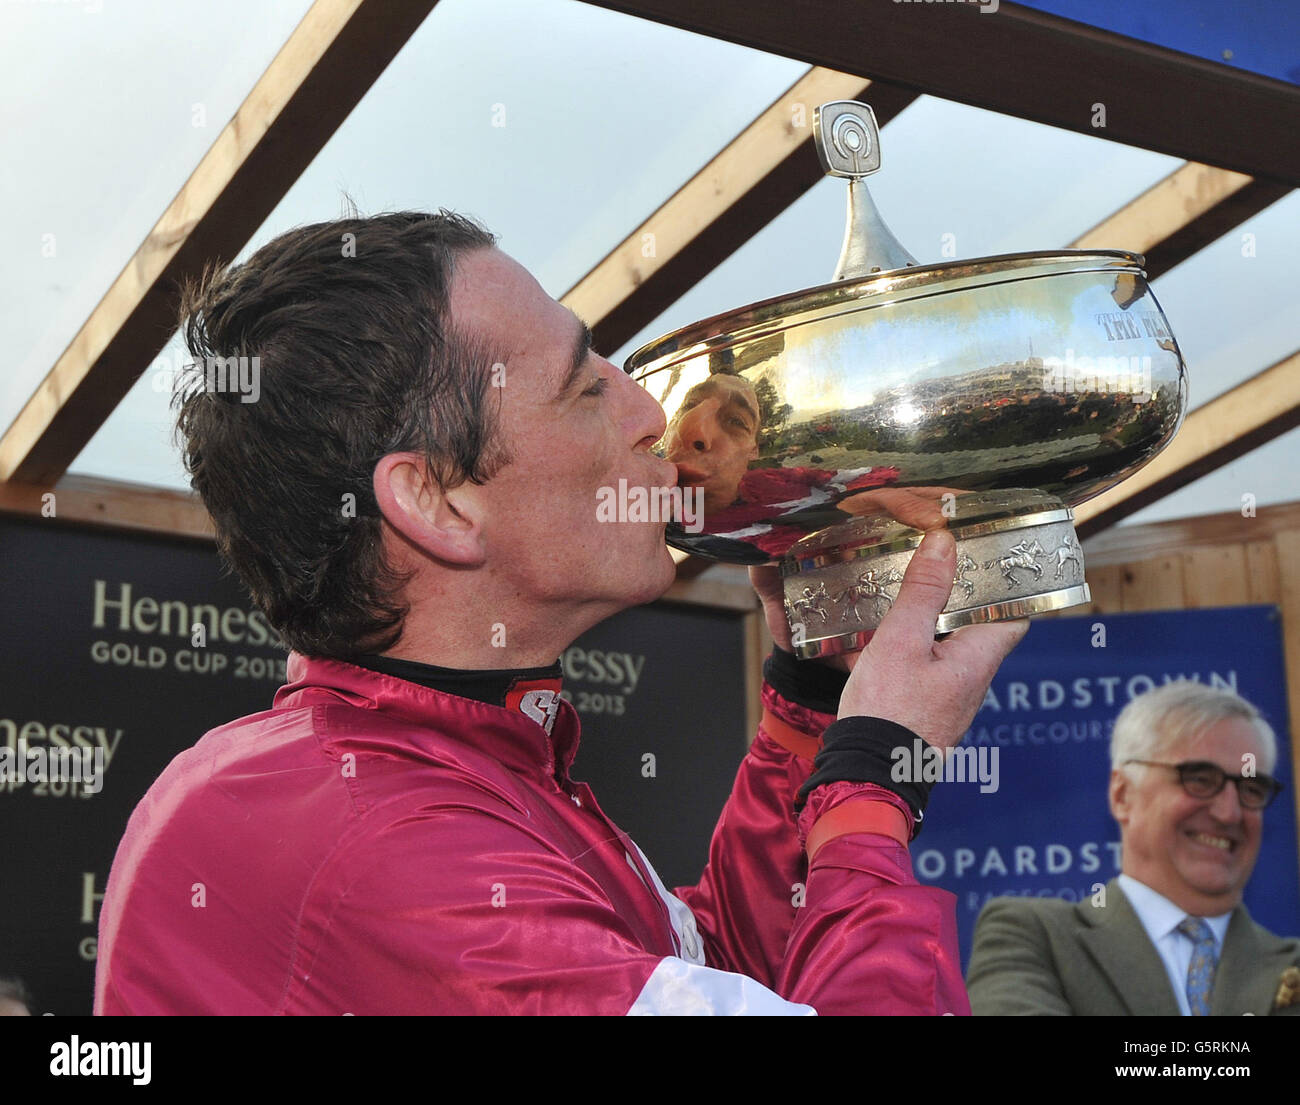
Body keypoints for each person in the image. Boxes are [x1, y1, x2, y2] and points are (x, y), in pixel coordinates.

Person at [93, 211, 1025, 1015]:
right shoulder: (374, 840)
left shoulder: (449, 767)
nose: (650, 412)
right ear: (439, 505)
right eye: (585, 387)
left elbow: (712, 976)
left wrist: (811, 709)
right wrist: (871, 786)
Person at [966, 681, 1300, 1016]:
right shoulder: (1035, 937)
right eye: (1199, 779)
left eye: (1252, 788)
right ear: (1123, 795)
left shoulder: (1291, 965)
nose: (1229, 813)